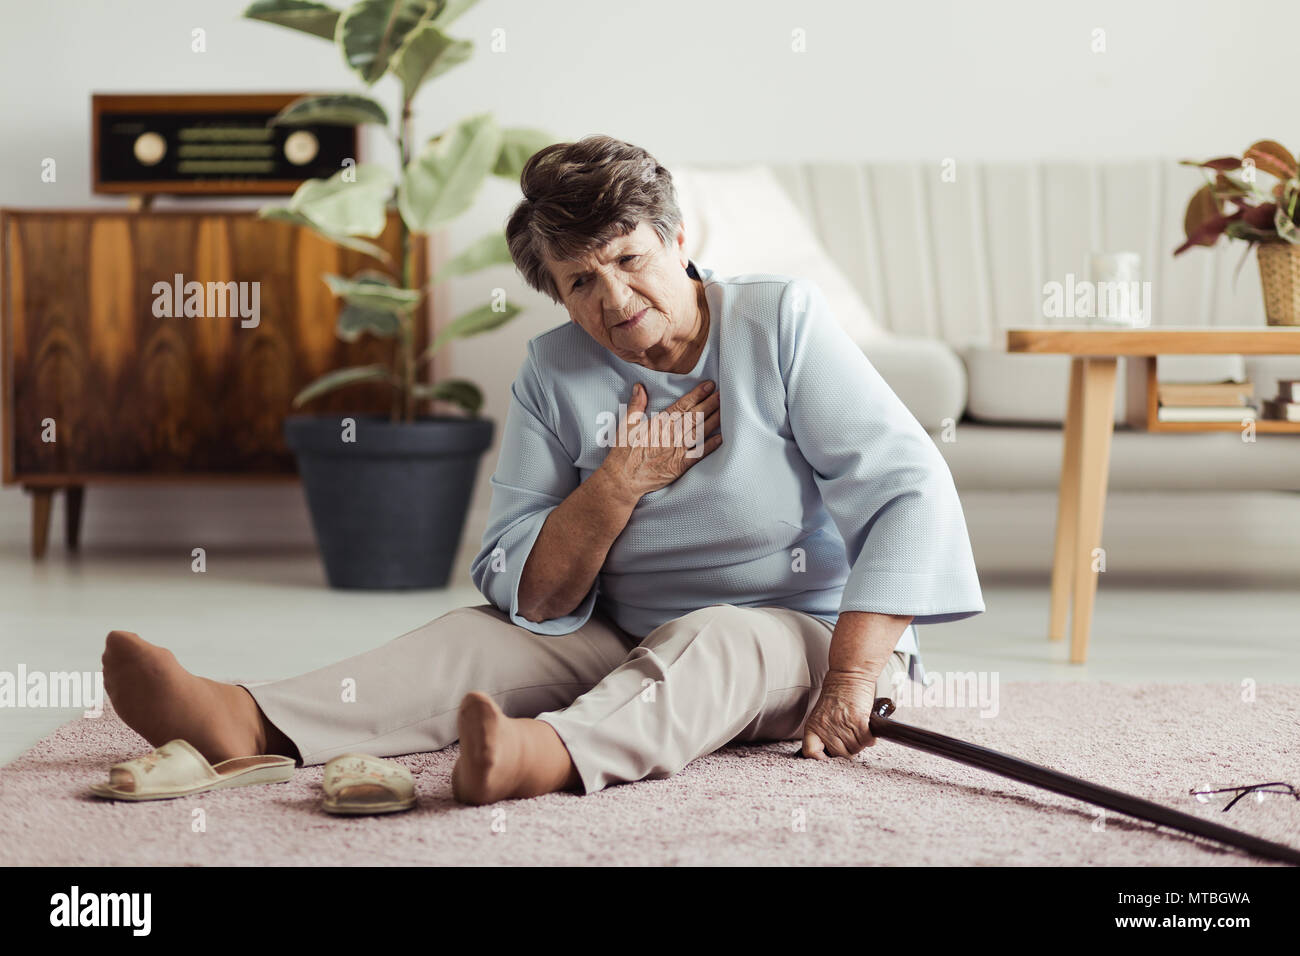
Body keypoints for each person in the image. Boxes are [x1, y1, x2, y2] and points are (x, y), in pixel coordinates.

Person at [102, 135, 985, 805]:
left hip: (807, 638)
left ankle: (547, 754)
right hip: (619, 631)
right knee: (471, 638)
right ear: (556, 294)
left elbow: (906, 491)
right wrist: (617, 484)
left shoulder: (779, 322)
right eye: (579, 282)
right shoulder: (553, 369)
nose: (614, 298)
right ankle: (244, 719)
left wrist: (854, 680)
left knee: (717, 637)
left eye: (629, 259)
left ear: (678, 239)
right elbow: (529, 587)